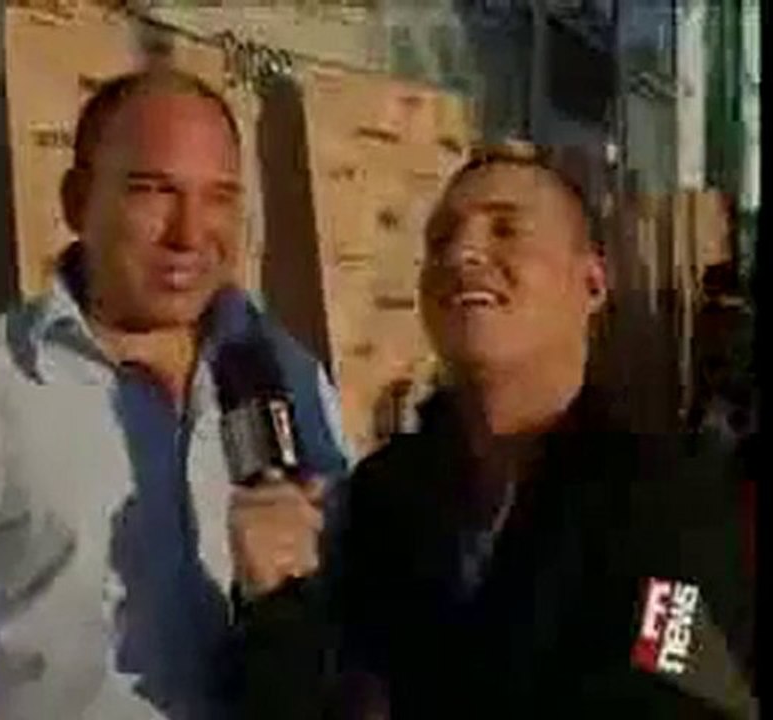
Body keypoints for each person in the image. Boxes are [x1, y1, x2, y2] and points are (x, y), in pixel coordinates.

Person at [0, 67, 349, 720]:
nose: (190, 233)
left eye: (220, 197)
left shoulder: (289, 378)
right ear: (77, 201)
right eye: (153, 191)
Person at [229, 147, 755, 718]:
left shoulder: (668, 503)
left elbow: (677, 701)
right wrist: (275, 604)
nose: (462, 253)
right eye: (440, 240)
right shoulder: (385, 500)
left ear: (593, 282)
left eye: (506, 230)